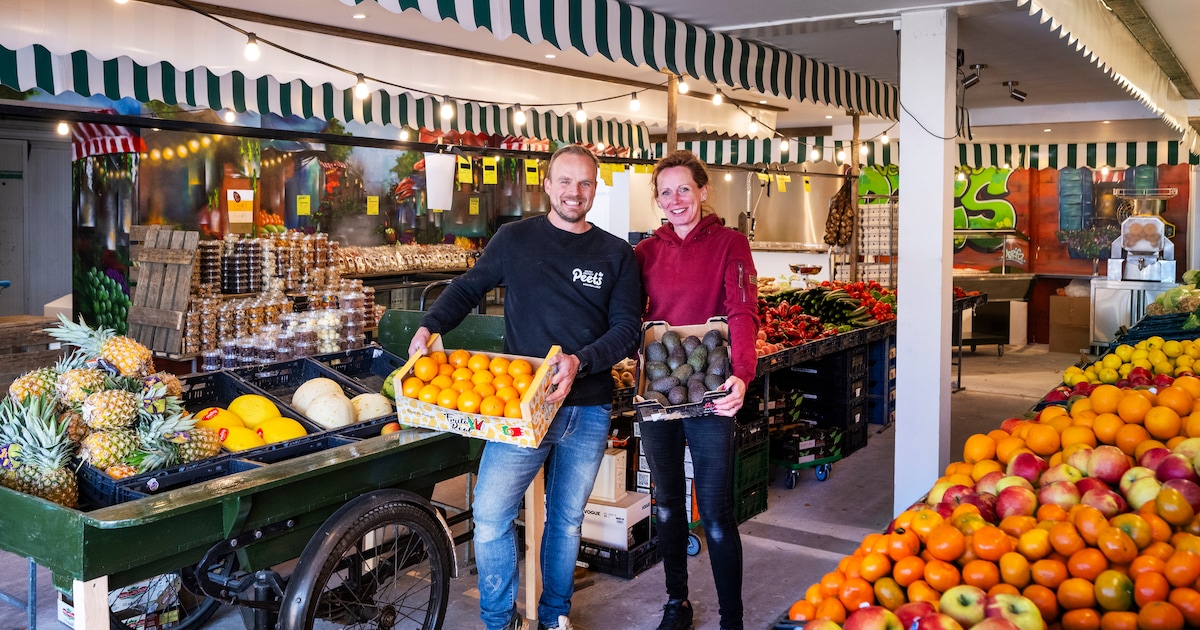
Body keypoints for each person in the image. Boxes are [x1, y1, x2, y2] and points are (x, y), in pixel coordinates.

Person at [407, 144, 642, 630]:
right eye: (565, 181)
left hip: (586, 408)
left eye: (584, 183)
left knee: (567, 522)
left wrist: (581, 362)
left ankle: (555, 615)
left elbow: (626, 329)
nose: (573, 192)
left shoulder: (616, 253)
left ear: (595, 189)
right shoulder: (514, 240)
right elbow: (469, 288)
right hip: (518, 407)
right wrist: (429, 326)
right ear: (547, 185)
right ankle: (500, 621)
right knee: (490, 515)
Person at [633, 150, 760, 630]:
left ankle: (732, 618)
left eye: (684, 188)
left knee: (716, 511)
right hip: (659, 389)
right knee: (666, 502)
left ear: (703, 191)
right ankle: (676, 602)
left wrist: (743, 375)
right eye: (666, 191)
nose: (676, 199)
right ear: (658, 199)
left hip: (712, 387)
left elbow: (743, 310)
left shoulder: (730, 243)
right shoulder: (645, 252)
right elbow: (629, 316)